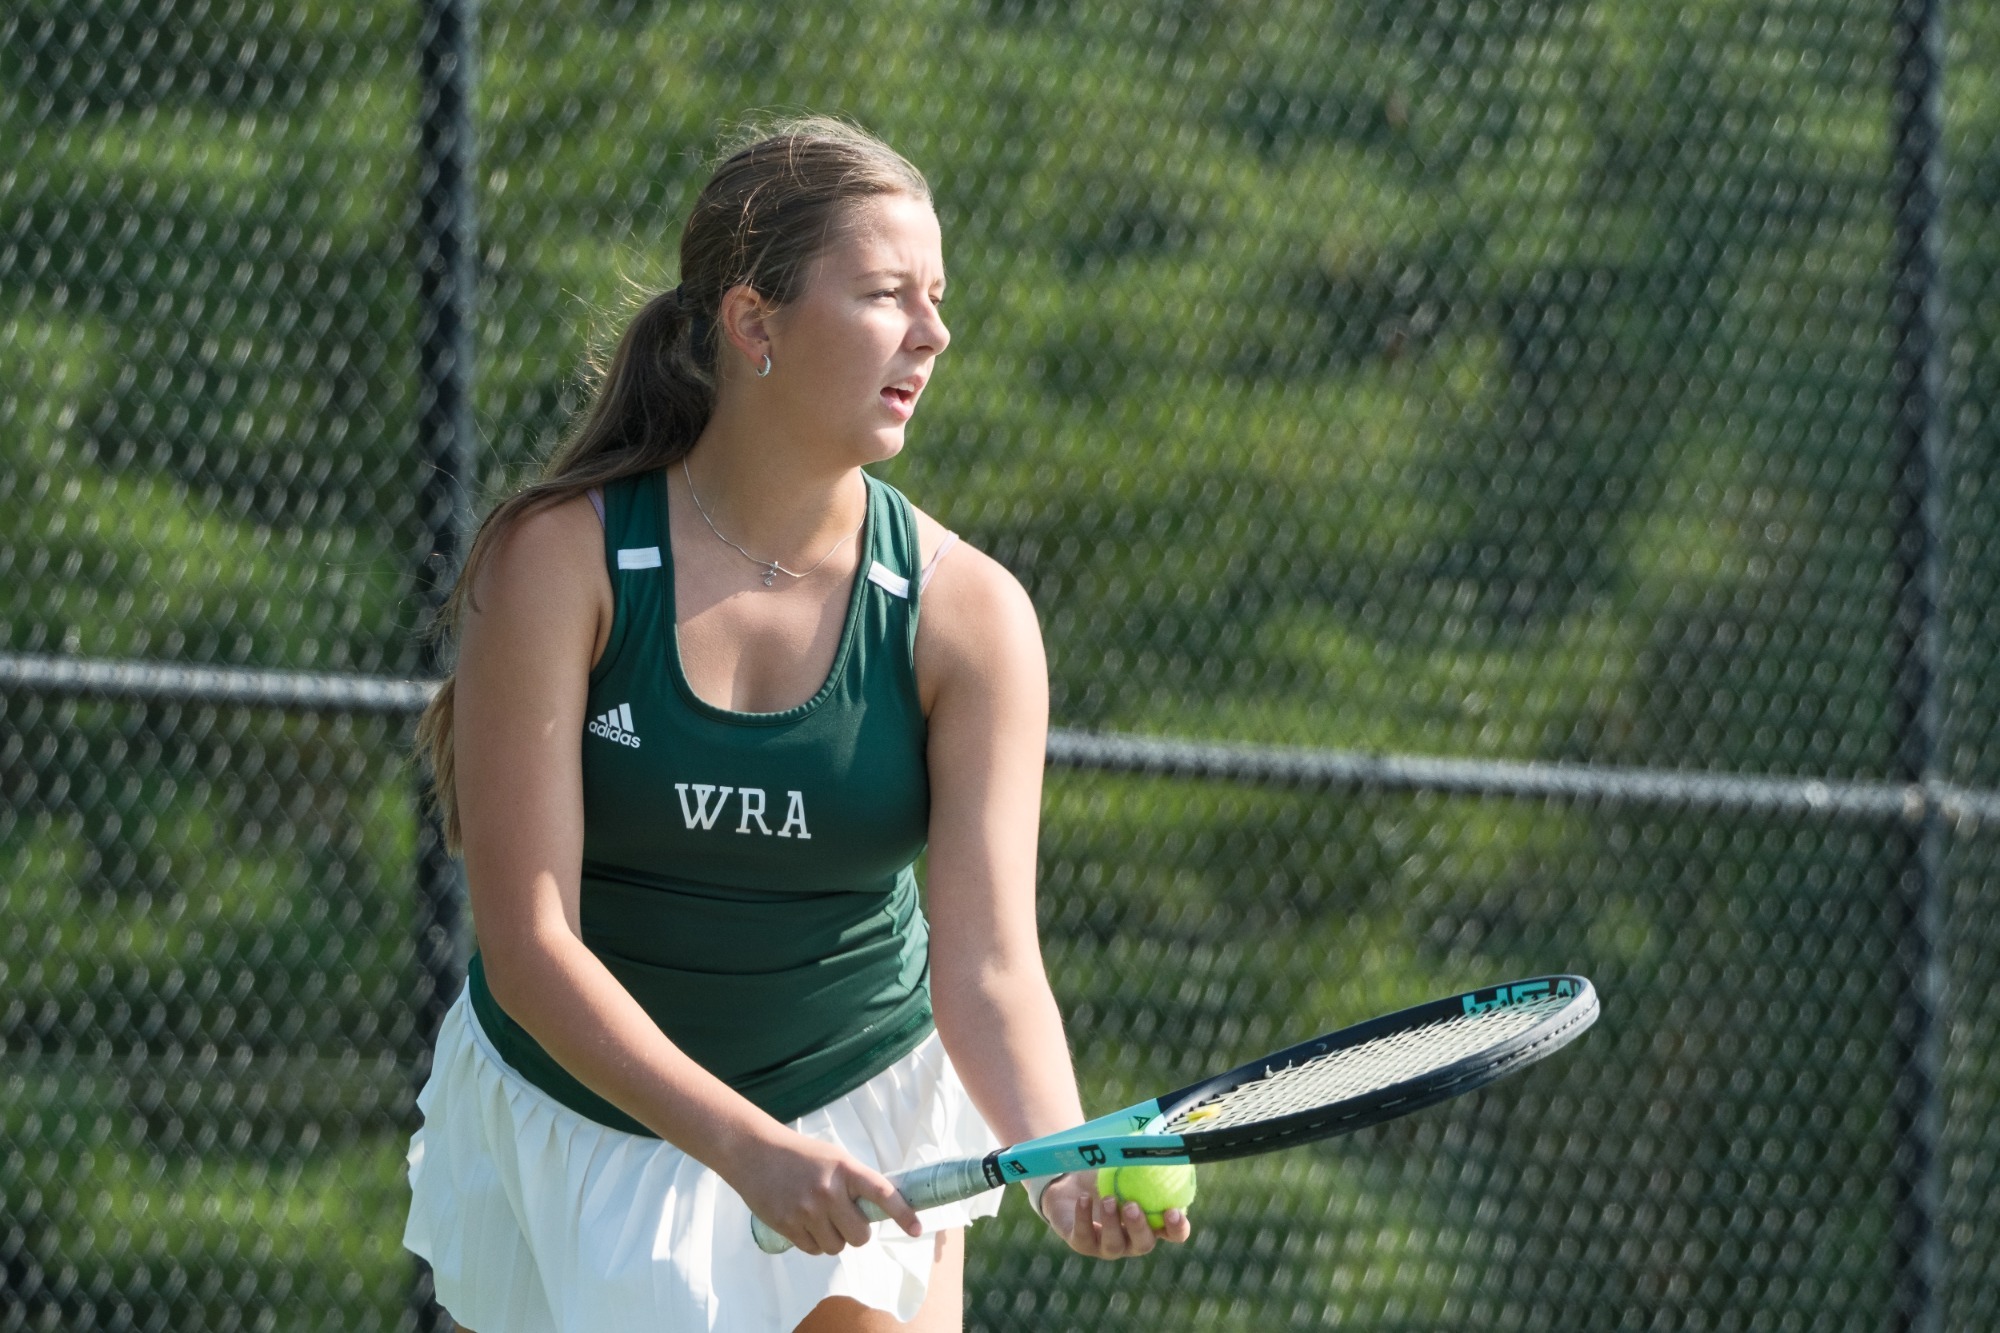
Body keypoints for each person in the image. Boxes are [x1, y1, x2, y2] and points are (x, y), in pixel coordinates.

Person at [401, 117, 1193, 1333]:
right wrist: (744, 1148)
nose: (931, 334)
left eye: (935, 298)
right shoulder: (560, 561)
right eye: (885, 295)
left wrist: (1065, 1163)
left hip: (855, 1092)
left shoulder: (968, 613)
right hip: (591, 1116)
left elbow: (986, 966)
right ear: (752, 323)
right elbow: (530, 942)